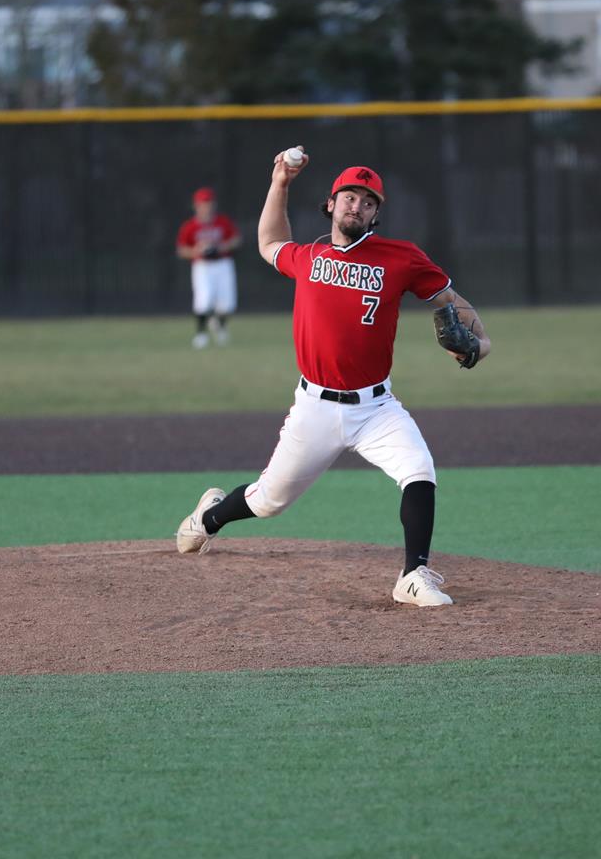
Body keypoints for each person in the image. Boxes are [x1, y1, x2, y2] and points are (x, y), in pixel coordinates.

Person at [175, 148, 491, 607]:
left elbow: (452, 302)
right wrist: (280, 181)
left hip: (377, 407)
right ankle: (208, 518)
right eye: (349, 197)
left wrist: (482, 344)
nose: (356, 206)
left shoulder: (401, 257)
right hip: (315, 408)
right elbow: (267, 243)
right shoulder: (309, 255)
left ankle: (413, 573)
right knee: (269, 501)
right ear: (330, 204)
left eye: (367, 201)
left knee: (419, 470)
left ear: (376, 214)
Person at [175, 186, 241, 348]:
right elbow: (181, 250)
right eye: (203, 203)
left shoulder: (222, 222)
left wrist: (220, 247)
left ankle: (219, 324)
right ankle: (201, 334)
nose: (207, 207)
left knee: (227, 303)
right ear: (196, 206)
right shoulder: (190, 226)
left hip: (223, 263)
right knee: (203, 301)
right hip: (202, 265)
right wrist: (196, 250)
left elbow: (236, 240)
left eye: (209, 203)